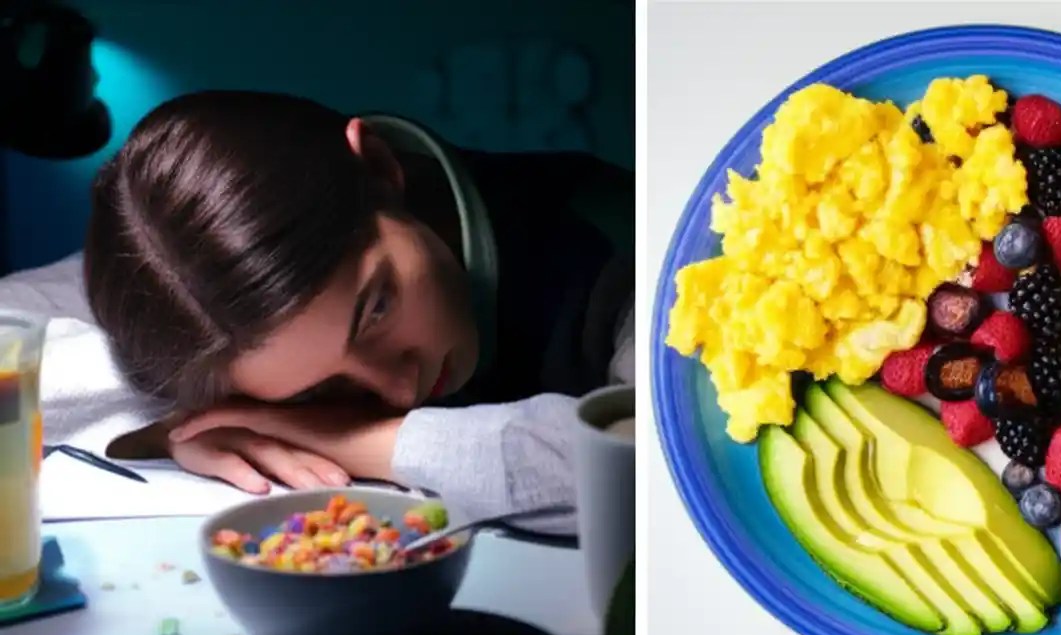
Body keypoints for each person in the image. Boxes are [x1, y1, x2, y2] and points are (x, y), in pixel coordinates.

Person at [11, 90, 633, 536]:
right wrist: (176, 431)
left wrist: (339, 434)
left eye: (376, 310)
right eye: (320, 392)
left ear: (380, 169)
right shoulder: (189, 276)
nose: (399, 390)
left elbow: (645, 467)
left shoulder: (633, 247)